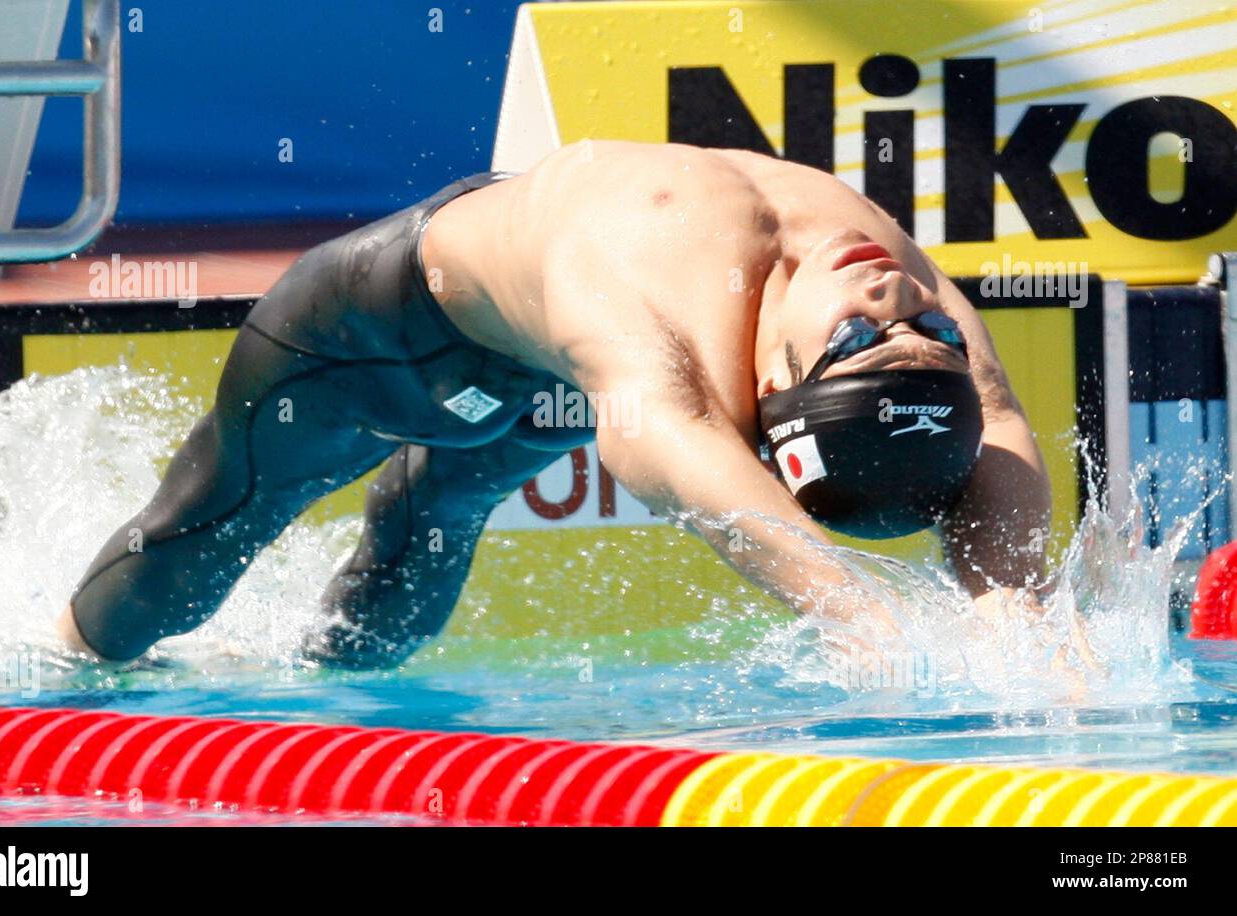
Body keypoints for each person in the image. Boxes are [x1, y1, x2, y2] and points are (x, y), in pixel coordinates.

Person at [57, 140, 1051, 667]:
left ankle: (338, 699)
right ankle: (68, 652)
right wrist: (950, 604)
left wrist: (943, 607)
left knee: (431, 519)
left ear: (778, 385)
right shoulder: (872, 278)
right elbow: (995, 419)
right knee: (216, 520)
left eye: (863, 339)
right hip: (384, 333)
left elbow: (670, 438)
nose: (897, 300)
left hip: (553, 364)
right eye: (936, 335)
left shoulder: (700, 316)